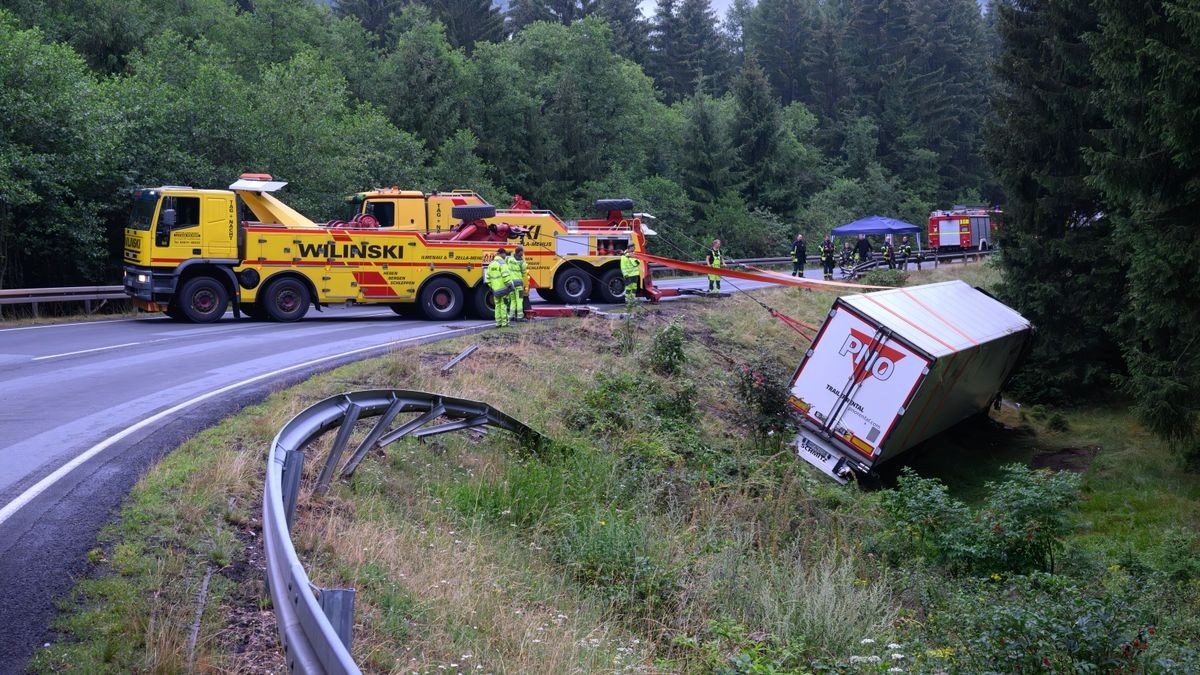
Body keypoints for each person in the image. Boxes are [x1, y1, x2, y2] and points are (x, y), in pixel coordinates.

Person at [484, 248, 512, 327]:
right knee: (504, 306)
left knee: (497, 306)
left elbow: (488, 278)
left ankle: (498, 323)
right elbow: (505, 276)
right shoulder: (502, 263)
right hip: (503, 289)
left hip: (495, 290)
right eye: (505, 254)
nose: (505, 255)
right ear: (501, 254)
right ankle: (504, 324)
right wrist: (510, 285)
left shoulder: (491, 264)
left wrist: (492, 286)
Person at [506, 244, 528, 321]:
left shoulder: (510, 259)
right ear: (520, 252)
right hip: (518, 284)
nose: (523, 253)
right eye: (523, 252)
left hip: (510, 284)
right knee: (519, 300)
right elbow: (523, 273)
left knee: (513, 300)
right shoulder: (522, 263)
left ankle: (511, 316)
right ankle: (519, 317)